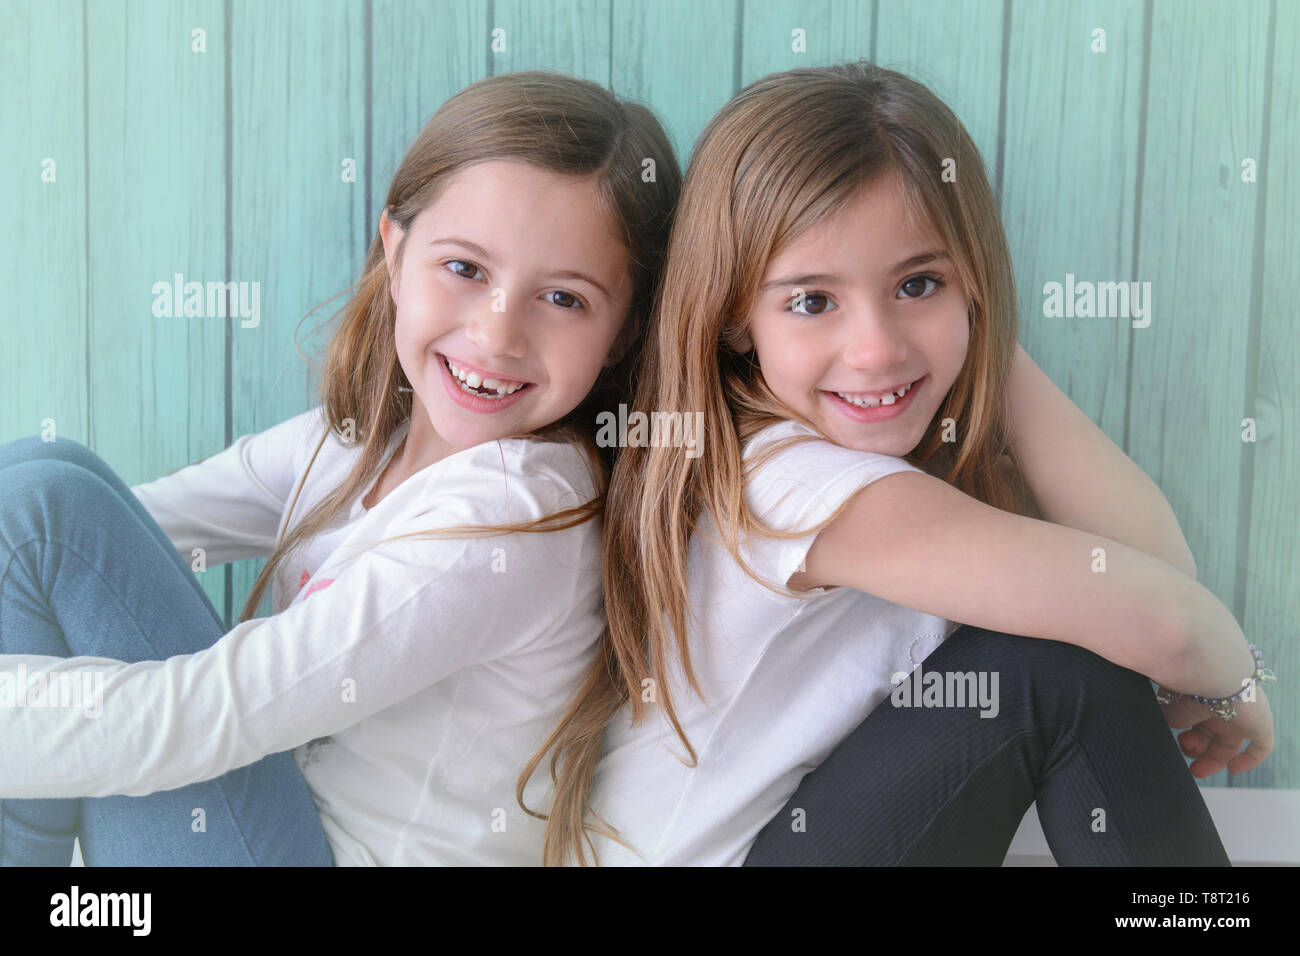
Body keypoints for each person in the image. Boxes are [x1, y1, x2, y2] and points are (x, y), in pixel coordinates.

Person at [522, 61, 1275, 866]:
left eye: (919, 283)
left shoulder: (876, 468)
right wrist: (1238, 686)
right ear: (735, 319)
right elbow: (1167, 620)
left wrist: (980, 337)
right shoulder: (796, 483)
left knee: (1074, 643)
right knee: (1050, 663)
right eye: (812, 301)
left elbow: (1158, 572)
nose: (877, 349)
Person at [0, 70, 680, 866]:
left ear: (624, 333)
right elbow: (99, 542)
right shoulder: (357, 442)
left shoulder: (519, 512)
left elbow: (204, 715)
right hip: (261, 833)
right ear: (395, 255)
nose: (498, 337)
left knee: (43, 500)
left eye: (563, 299)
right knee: (43, 484)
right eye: (465, 269)